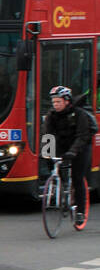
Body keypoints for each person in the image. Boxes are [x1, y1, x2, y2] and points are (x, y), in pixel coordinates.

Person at [42, 85, 96, 229]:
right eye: (53, 102)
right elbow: (48, 135)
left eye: (58, 102)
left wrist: (73, 151)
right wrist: (47, 153)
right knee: (52, 164)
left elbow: (82, 135)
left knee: (78, 177)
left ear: (67, 101)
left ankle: (80, 212)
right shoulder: (51, 115)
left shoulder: (79, 114)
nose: (55, 105)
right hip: (63, 145)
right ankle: (61, 185)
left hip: (81, 146)